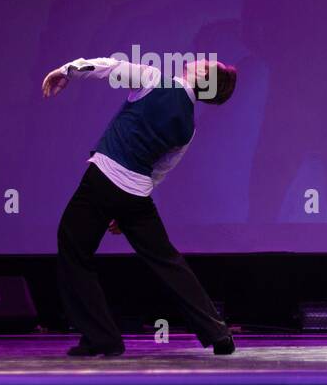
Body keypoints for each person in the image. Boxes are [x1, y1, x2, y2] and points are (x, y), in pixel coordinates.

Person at [42, 54, 238, 357]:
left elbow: (109, 67)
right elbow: (161, 169)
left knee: (73, 250)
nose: (200, 60)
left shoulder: (153, 79)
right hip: (135, 195)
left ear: (203, 78)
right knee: (167, 261)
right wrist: (128, 203)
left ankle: (102, 337)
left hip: (103, 180)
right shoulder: (188, 127)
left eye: (206, 65)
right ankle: (218, 333)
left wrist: (66, 69)